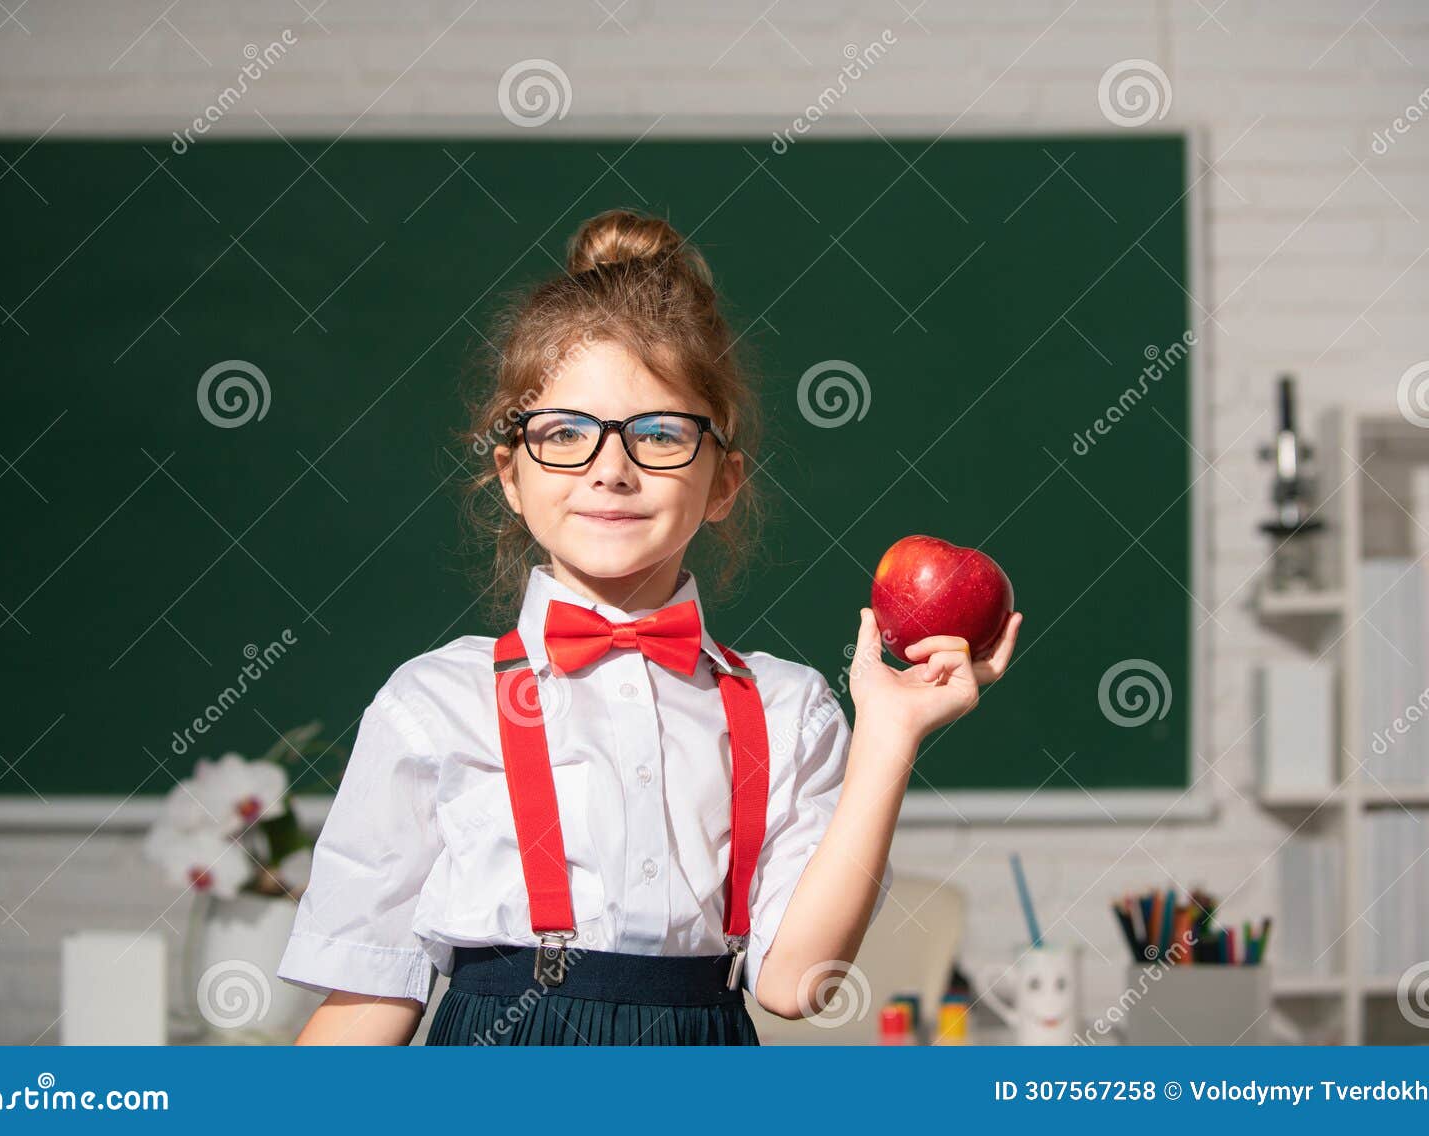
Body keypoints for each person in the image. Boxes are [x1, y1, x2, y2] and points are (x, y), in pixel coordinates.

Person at [277, 208, 1021, 1045]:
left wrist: (889, 735)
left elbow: (794, 985)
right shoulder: (432, 703)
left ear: (724, 482)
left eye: (660, 435)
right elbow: (369, 1001)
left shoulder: (790, 711)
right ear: (512, 475)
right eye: (565, 433)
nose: (610, 469)